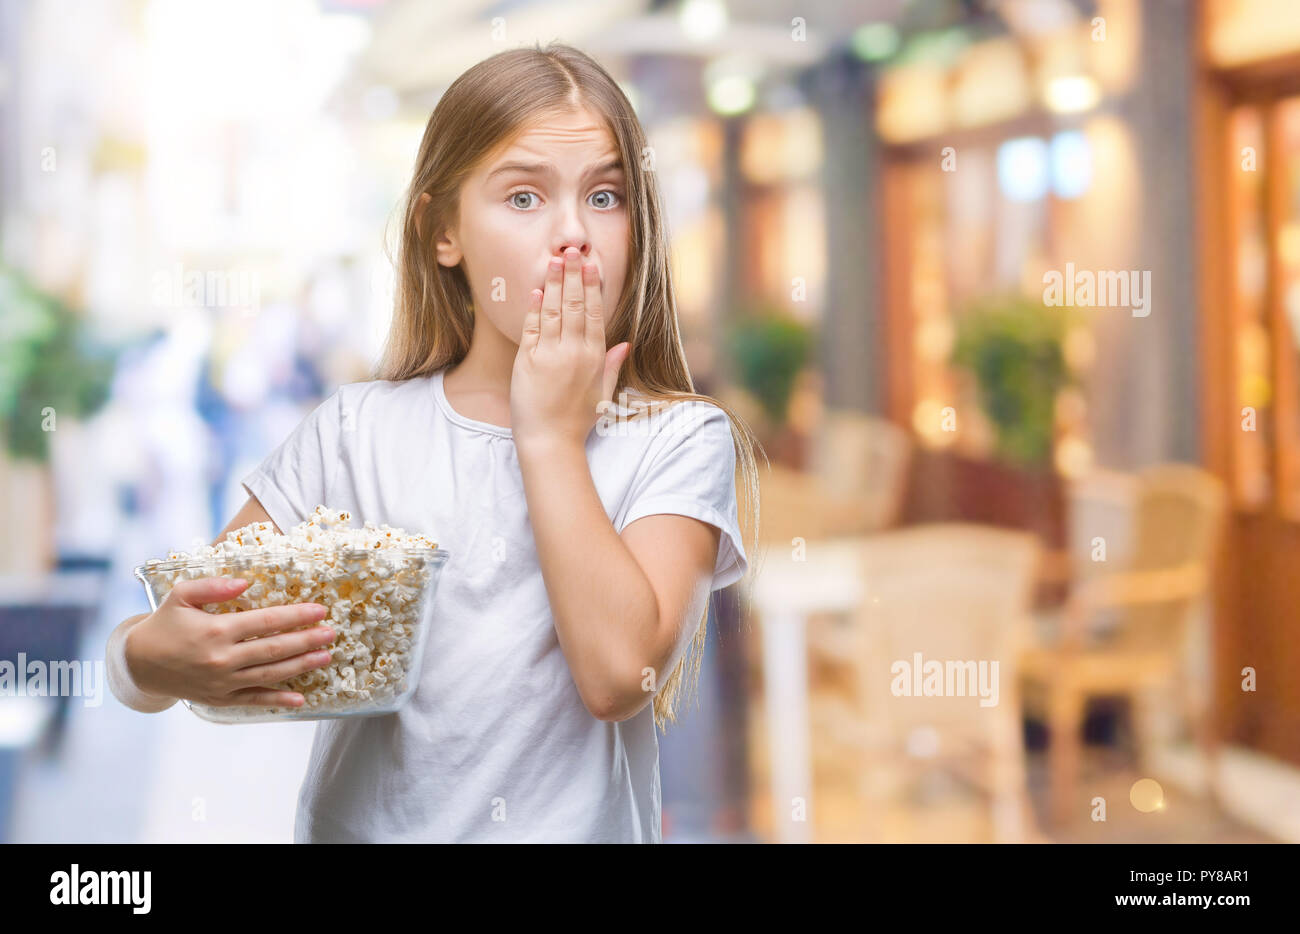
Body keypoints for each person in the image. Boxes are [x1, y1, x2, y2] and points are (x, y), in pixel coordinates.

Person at [104, 43, 762, 844]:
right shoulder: (355, 434)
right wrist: (143, 662)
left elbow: (619, 674)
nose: (572, 234)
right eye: (523, 197)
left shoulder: (677, 438)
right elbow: (198, 628)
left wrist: (549, 435)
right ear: (442, 230)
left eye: (605, 195)